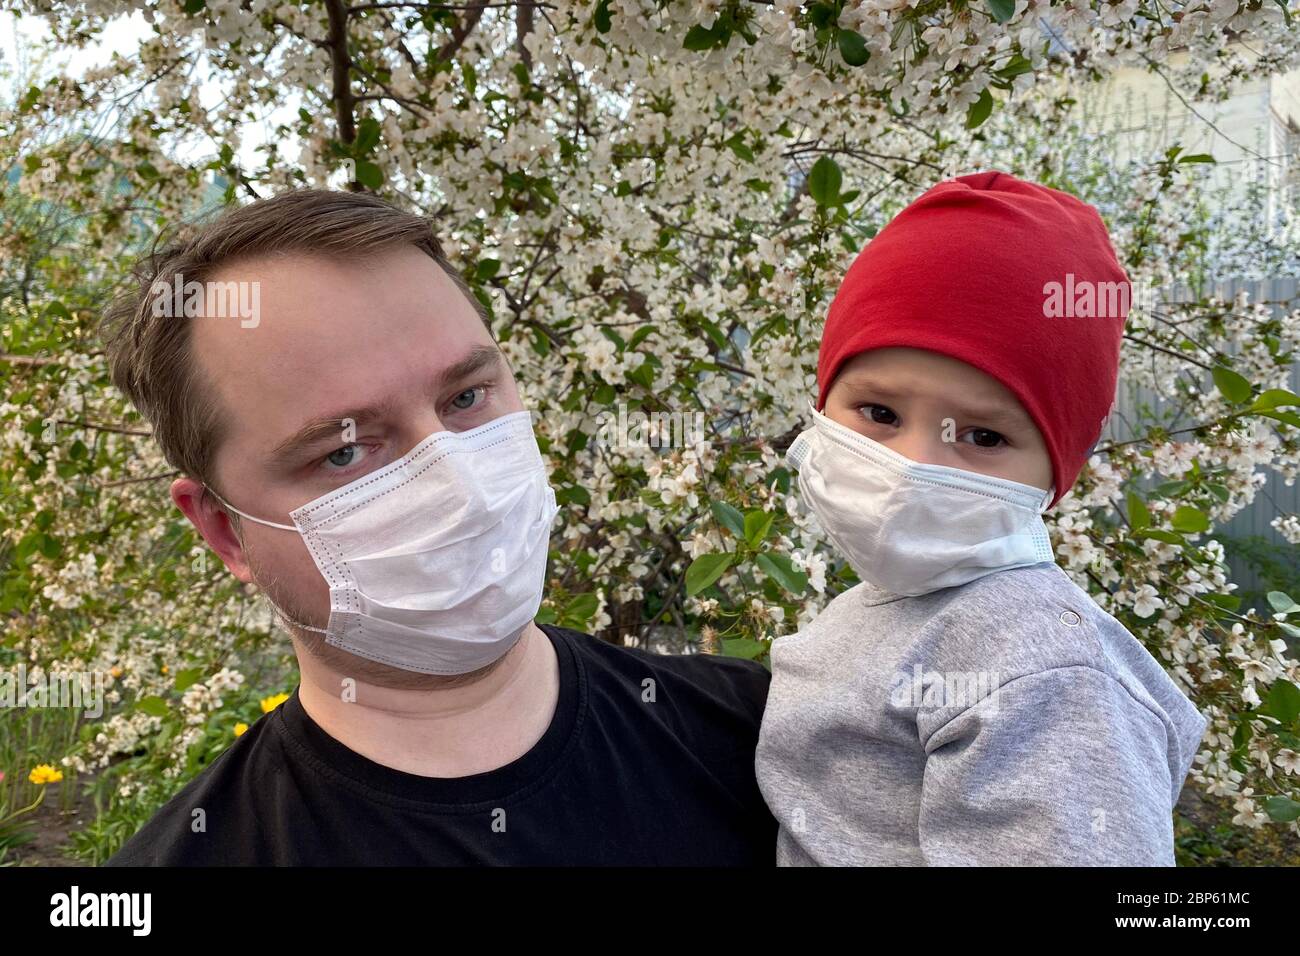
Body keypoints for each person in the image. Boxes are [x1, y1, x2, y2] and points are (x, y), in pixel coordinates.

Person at [100, 189, 776, 865]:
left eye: (466, 398)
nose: (462, 490)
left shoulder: (774, 742)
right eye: (343, 452)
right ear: (222, 530)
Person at [755, 171, 1207, 866]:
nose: (912, 466)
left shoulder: (1043, 673)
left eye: (983, 437)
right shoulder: (883, 608)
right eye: (879, 413)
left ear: (1054, 473)